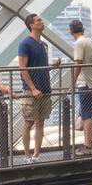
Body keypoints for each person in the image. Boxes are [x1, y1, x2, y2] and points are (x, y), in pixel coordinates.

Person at [17, 13, 61, 160]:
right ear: (31, 25)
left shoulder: (43, 45)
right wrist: (33, 88)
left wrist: (52, 66)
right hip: (31, 91)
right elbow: (23, 68)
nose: (42, 22)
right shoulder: (25, 44)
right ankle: (27, 155)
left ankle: (36, 154)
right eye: (38, 21)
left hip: (44, 88)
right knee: (28, 122)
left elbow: (40, 66)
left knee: (40, 122)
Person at [68, 20, 92, 157]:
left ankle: (88, 146)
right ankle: (88, 144)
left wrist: (72, 83)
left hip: (85, 82)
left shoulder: (79, 43)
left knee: (87, 115)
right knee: (88, 113)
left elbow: (78, 64)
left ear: (71, 32)